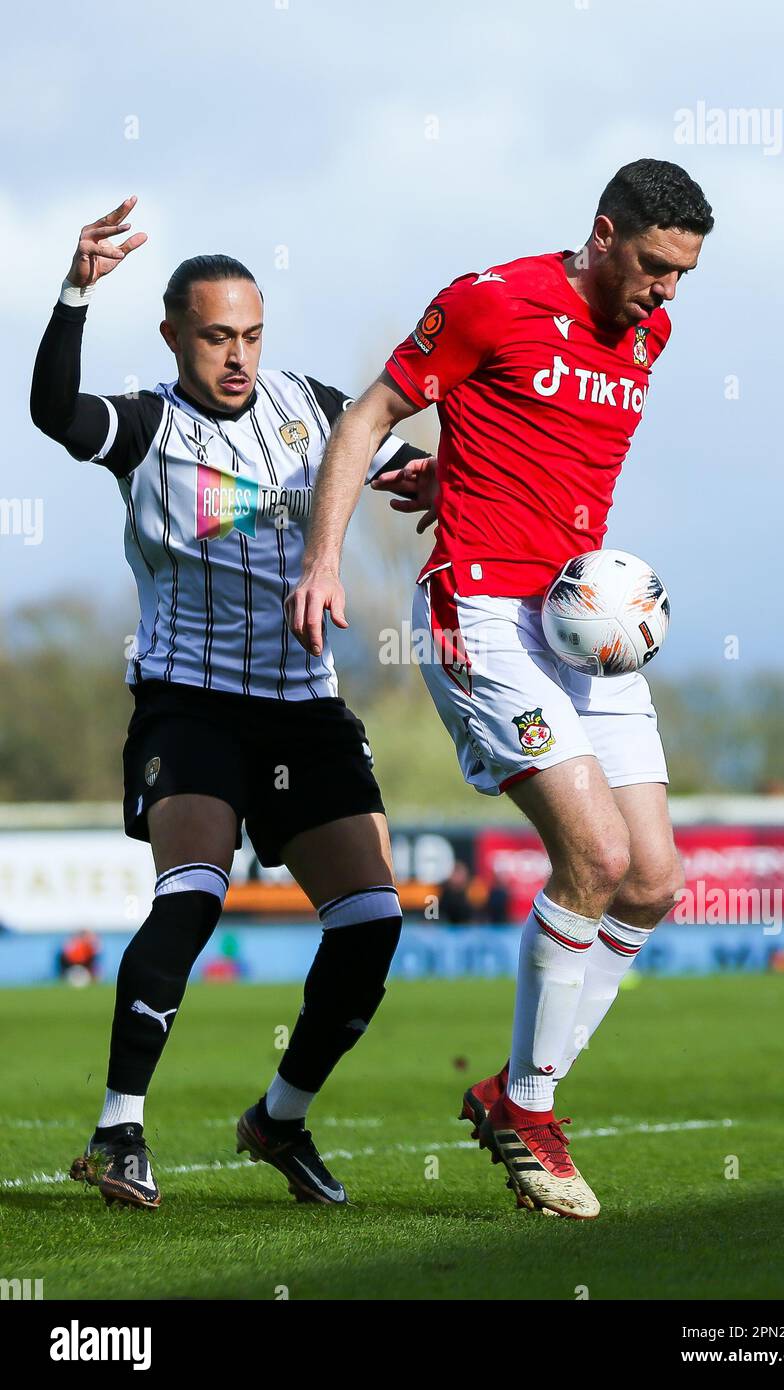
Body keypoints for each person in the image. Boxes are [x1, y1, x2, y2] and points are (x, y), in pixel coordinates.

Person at [289, 159, 714, 1219]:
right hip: (482, 610)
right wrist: (323, 559)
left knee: (653, 882)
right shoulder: (490, 299)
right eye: (654, 267)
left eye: (683, 275)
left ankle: (514, 1093)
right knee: (597, 857)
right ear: (603, 233)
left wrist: (457, 470)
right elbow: (368, 415)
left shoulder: (647, 336)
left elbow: (549, 443)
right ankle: (526, 1107)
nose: (666, 293)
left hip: (583, 618)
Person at [30, 196, 431, 1210]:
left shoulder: (312, 410)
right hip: (190, 701)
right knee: (194, 893)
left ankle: (279, 1119)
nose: (238, 354)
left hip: (302, 705)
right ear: (173, 334)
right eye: (216, 335)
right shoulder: (144, 426)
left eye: (251, 334)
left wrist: (437, 477)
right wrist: (74, 290)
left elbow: (391, 458)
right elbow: (52, 412)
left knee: (373, 918)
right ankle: (119, 1126)